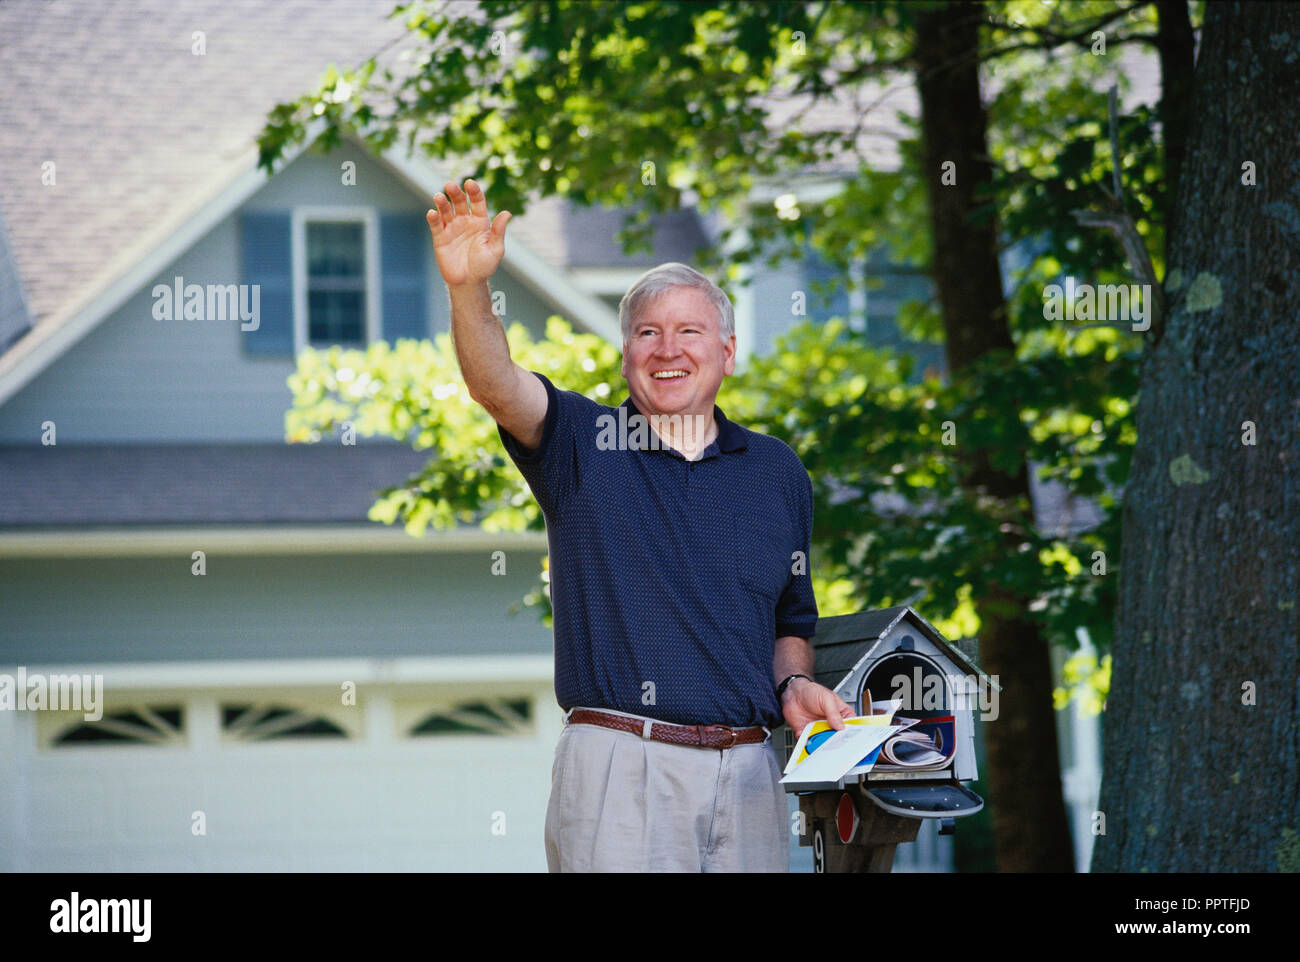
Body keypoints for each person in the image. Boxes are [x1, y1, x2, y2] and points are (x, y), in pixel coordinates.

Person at [427, 179, 853, 872]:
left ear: (727, 352)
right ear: (626, 354)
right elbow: (495, 381)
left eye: (690, 331)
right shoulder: (581, 444)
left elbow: (788, 626)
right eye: (647, 332)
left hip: (749, 771)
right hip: (621, 766)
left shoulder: (777, 472)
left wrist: (792, 687)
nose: (667, 349)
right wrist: (469, 288)